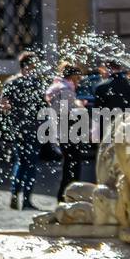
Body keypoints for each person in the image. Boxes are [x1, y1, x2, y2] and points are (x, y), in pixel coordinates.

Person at [0, 51, 45, 211]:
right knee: (31, 164)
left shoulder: (10, 82)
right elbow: (43, 105)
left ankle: (14, 195)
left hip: (17, 128)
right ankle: (26, 200)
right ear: (31, 65)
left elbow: (4, 106)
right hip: (33, 128)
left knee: (20, 161)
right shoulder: (36, 82)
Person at [46, 63, 87, 202]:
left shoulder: (58, 87)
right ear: (73, 76)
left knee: (68, 164)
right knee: (73, 165)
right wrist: (80, 107)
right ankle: (69, 195)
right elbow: (66, 113)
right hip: (69, 132)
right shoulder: (65, 90)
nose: (79, 80)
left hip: (62, 131)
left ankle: (64, 196)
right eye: (77, 77)